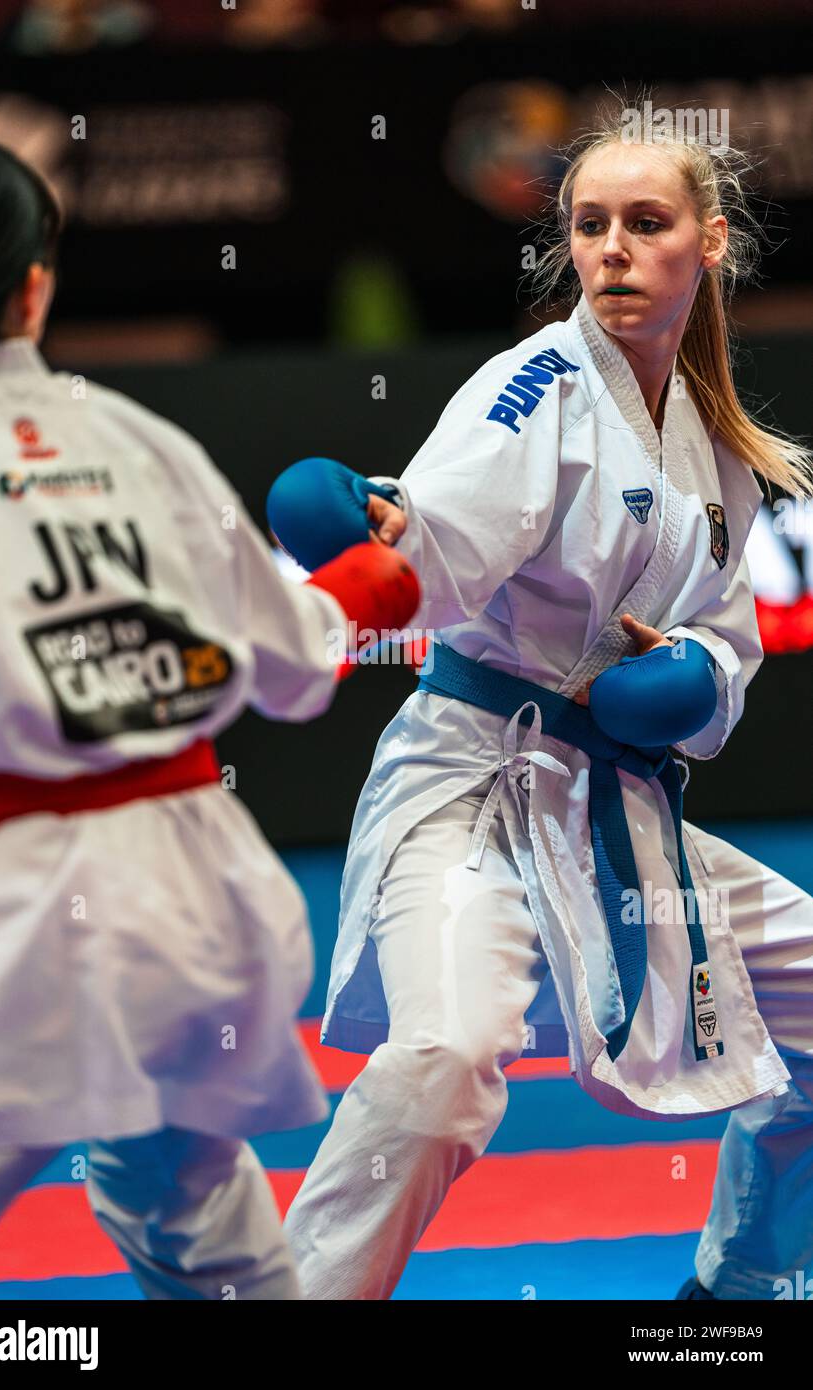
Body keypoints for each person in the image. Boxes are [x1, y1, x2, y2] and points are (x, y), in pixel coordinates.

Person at [279, 107, 813, 1300]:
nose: (613, 248)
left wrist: (689, 678)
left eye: (644, 222)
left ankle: (734, 1292)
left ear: (708, 243)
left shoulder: (717, 442)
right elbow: (434, 541)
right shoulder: (533, 390)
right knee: (445, 1058)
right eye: (590, 226)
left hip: (611, 805)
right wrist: (383, 538)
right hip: (473, 780)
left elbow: (725, 645)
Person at [0, 137, 419, 1299]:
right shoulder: (132, 438)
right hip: (213, 900)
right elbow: (289, 665)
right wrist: (354, 592)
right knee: (187, 1195)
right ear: (34, 285)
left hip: (41, 910)